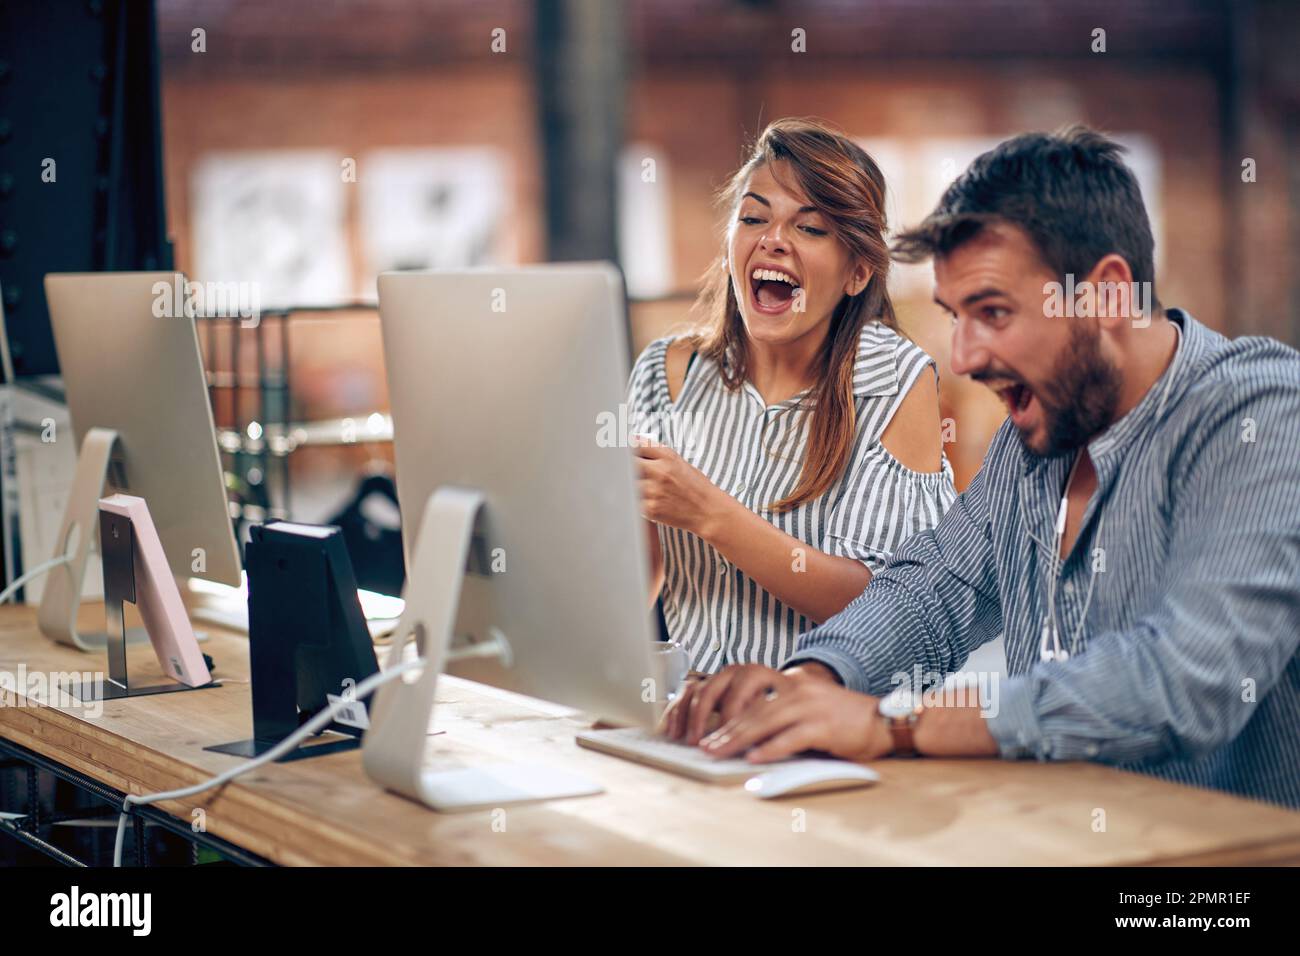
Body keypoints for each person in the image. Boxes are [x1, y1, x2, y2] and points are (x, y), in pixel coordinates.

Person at [664, 126, 1300, 809]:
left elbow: (1188, 680)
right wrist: (804, 681)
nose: (963, 357)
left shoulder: (1260, 414)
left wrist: (894, 725)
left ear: (1109, 295)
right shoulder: (1039, 435)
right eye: (956, 317)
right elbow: (929, 591)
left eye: (993, 312)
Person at [628, 117, 955, 673]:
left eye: (810, 229)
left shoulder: (895, 379)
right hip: (692, 709)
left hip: (826, 724)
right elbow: (642, 576)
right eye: (753, 218)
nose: (772, 240)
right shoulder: (667, 371)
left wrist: (712, 516)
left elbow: (888, 605)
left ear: (856, 272)